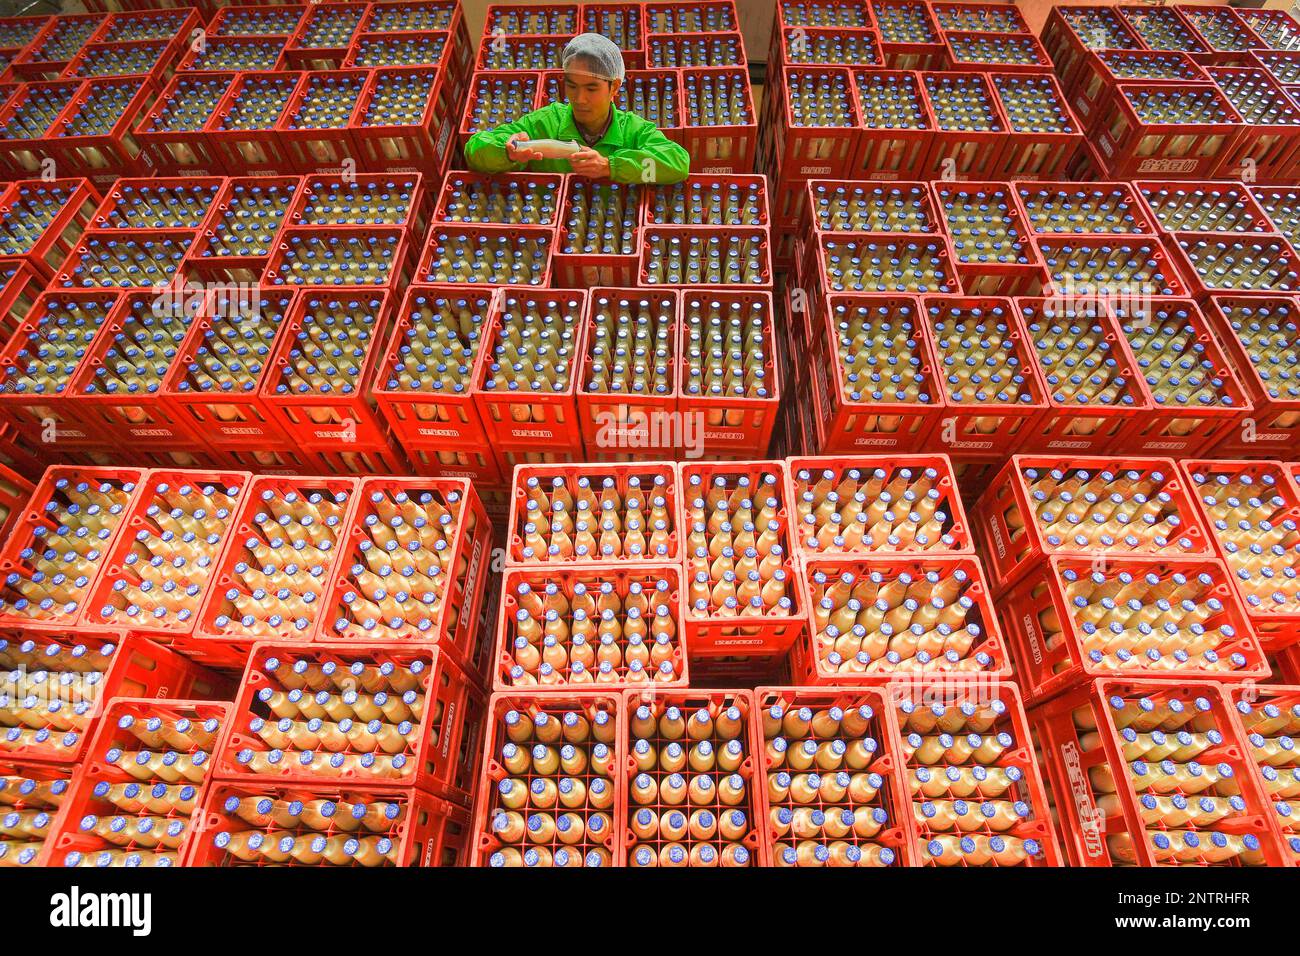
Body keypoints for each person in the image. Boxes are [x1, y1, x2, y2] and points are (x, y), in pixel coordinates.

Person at [464, 32, 690, 185]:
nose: (579, 98)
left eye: (591, 89)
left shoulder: (633, 130)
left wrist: (609, 166)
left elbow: (677, 163)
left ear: (614, 87)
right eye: (572, 86)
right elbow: (474, 151)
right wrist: (507, 151)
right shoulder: (546, 123)